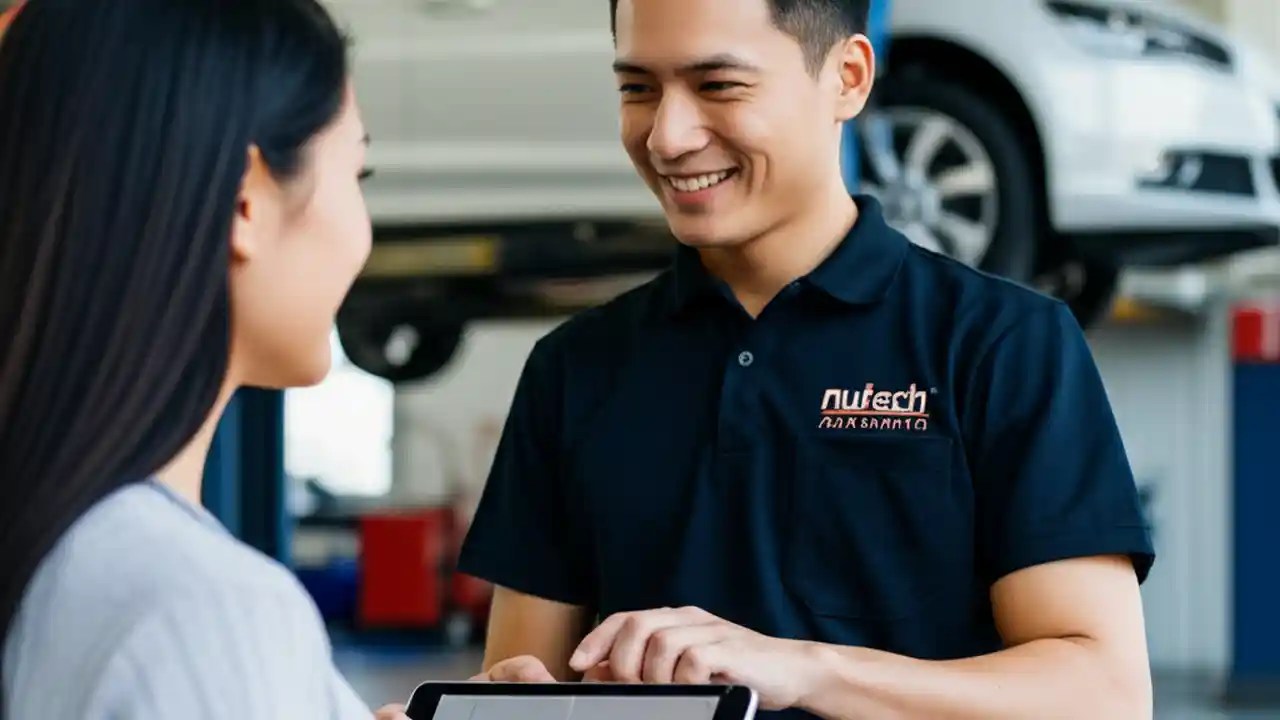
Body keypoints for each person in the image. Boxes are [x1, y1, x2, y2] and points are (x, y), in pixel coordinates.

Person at [456, 0, 1157, 717]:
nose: (667, 135)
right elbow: (525, 693)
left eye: (718, 86)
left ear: (848, 78)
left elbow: (1103, 695)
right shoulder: (574, 368)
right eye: (638, 89)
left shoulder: (1002, 343)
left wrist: (801, 670)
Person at [0, 1, 407, 717]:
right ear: (246, 200)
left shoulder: (71, 553)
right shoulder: (200, 606)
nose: (361, 235)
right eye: (357, 174)